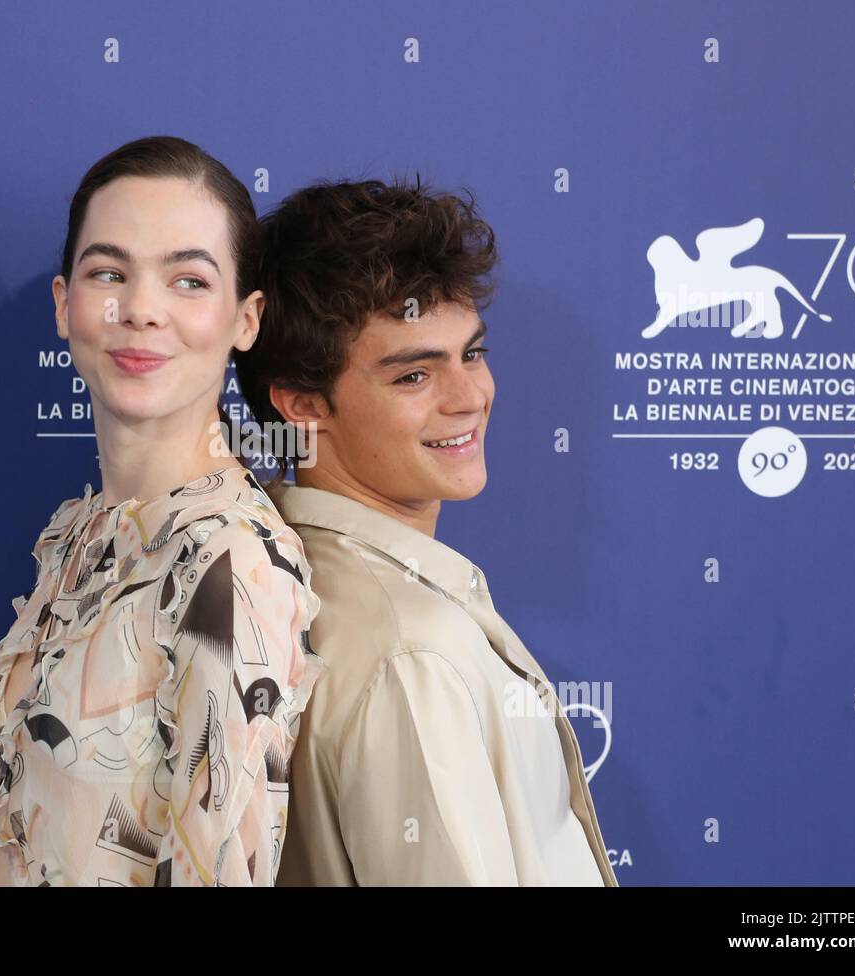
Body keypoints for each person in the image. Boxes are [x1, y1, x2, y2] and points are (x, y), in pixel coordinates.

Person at [0, 136, 325, 887]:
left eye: (188, 280)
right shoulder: (80, 533)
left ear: (245, 320)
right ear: (65, 305)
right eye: (110, 272)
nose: (142, 309)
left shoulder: (230, 563)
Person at [234, 176, 618, 886]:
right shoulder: (410, 655)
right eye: (414, 375)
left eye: (472, 353)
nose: (470, 396)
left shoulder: (287, 569)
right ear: (299, 405)